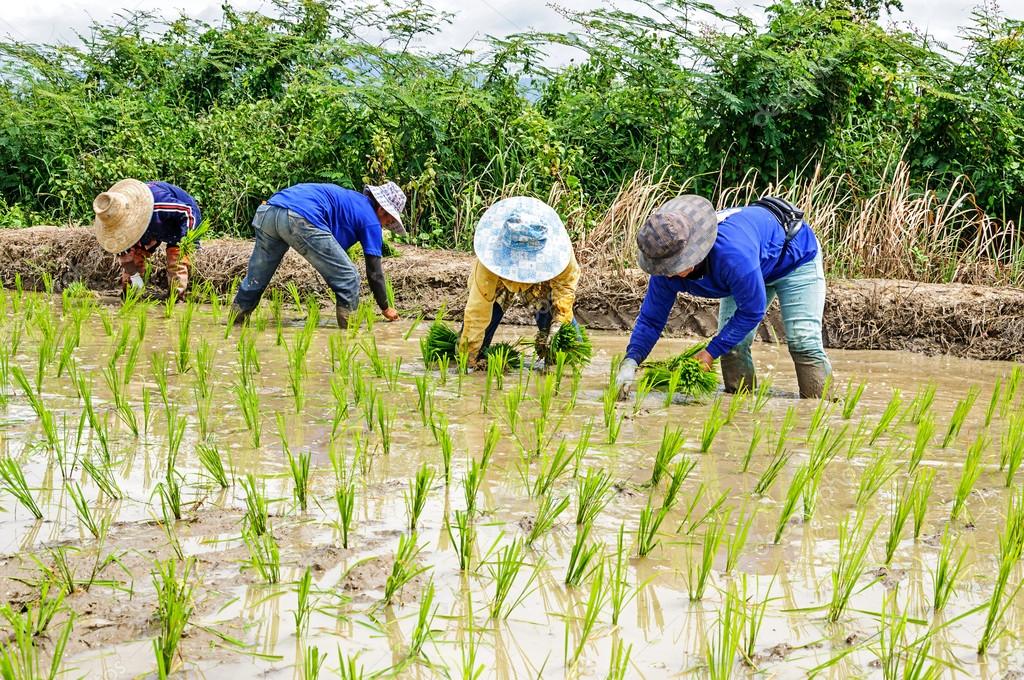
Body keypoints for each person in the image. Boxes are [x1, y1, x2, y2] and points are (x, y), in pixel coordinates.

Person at [615, 194, 832, 399]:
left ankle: (819, 406)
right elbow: (651, 320)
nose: (668, 273)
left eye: (673, 267)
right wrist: (631, 360)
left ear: (691, 254)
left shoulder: (731, 256)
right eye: (663, 267)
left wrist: (709, 353)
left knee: (804, 342)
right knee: (733, 346)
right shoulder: (665, 267)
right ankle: (741, 407)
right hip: (750, 267)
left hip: (794, 258)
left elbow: (752, 311)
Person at [229, 182, 406, 328]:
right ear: (382, 209)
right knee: (349, 277)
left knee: (257, 277)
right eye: (389, 221)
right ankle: (348, 336)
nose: (385, 225)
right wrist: (385, 307)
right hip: (299, 217)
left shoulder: (353, 202)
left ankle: (234, 325)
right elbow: (374, 272)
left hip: (269, 211)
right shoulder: (371, 220)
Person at [458, 196, 581, 370]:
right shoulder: (489, 264)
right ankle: (473, 356)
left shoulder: (561, 257)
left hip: (541, 285)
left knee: (566, 352)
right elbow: (477, 313)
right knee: (472, 344)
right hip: (499, 283)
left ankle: (559, 361)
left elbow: (565, 287)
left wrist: (559, 321)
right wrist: (467, 362)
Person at [92, 179, 201, 297]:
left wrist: (187, 240)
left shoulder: (158, 203)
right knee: (136, 256)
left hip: (179, 219)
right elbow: (126, 259)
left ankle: (176, 298)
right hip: (151, 225)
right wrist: (134, 276)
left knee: (176, 257)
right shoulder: (115, 223)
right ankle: (129, 294)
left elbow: (188, 211)